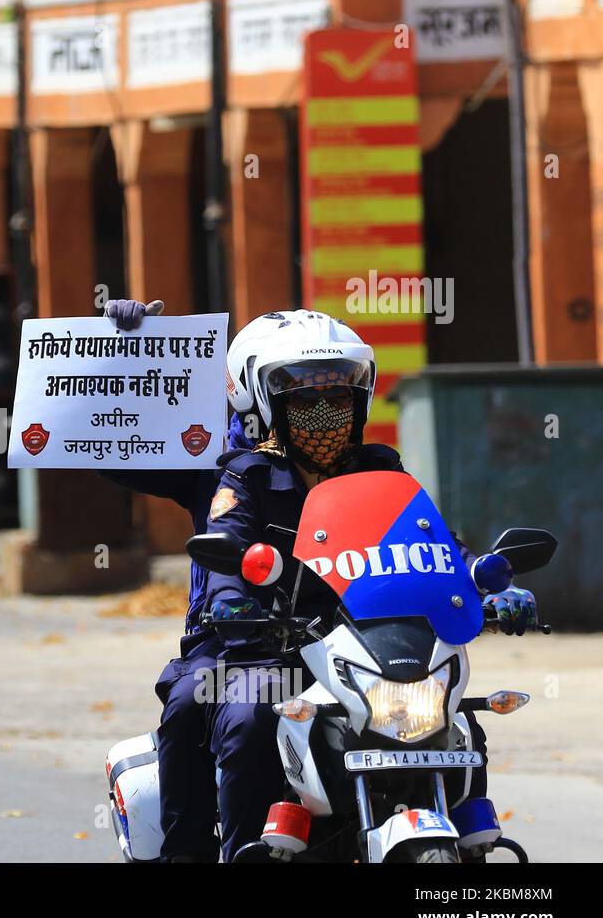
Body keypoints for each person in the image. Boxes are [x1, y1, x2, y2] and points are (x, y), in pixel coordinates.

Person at [195, 310, 536, 860]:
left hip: (374, 644)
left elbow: (434, 543)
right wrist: (232, 602)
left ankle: (471, 841)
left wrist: (489, 586)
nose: (326, 415)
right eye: (306, 403)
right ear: (264, 406)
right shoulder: (247, 479)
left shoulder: (382, 471)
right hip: (273, 644)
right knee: (245, 714)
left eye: (339, 400)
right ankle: (242, 852)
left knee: (456, 719)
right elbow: (227, 553)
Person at [101, 299, 287, 860]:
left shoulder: (371, 466)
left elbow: (422, 535)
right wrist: (126, 354)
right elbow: (117, 448)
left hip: (344, 642)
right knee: (193, 702)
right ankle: (194, 850)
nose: (320, 407)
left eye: (334, 391)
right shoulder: (214, 453)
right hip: (235, 639)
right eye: (300, 391)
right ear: (255, 390)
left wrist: (480, 579)